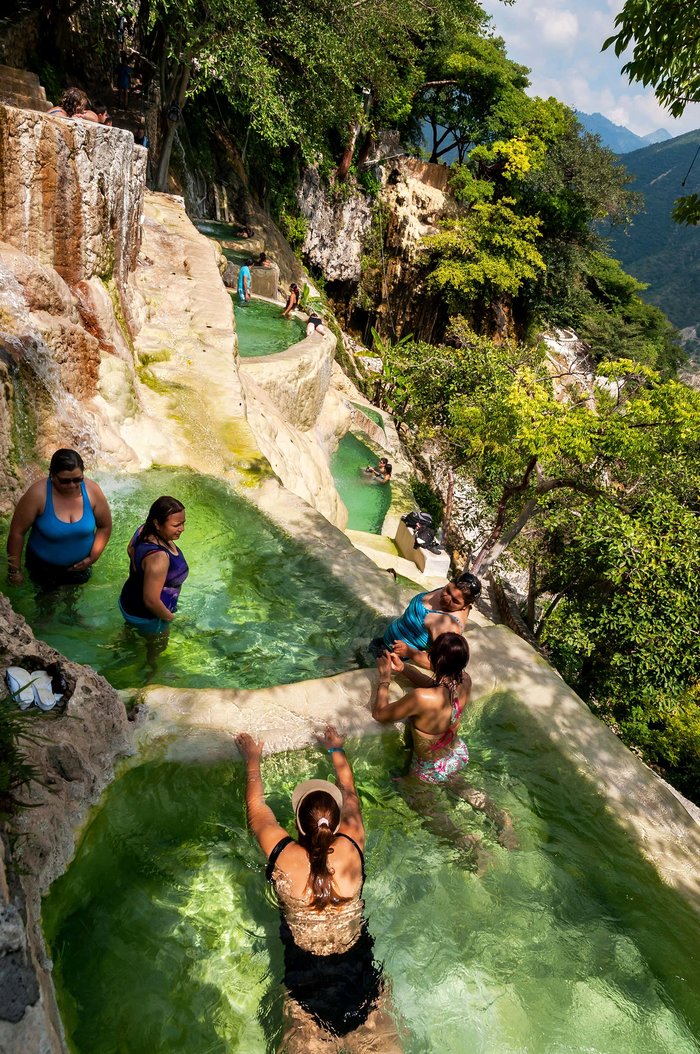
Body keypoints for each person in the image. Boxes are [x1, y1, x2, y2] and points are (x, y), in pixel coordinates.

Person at [237, 726, 400, 1053]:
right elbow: (349, 791)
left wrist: (252, 760)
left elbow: (256, 808)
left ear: (297, 824)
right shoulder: (353, 840)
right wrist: (335, 750)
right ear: (338, 823)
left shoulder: (282, 855)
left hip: (305, 992)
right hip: (362, 981)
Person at [372, 632, 517, 850]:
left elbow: (380, 714)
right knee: (456, 782)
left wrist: (384, 680)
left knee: (419, 801)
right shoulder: (465, 680)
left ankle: (464, 840)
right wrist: (405, 669)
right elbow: (438, 686)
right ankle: (500, 816)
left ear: (434, 660)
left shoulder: (421, 698)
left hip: (429, 766)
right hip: (455, 753)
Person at [6, 448, 112, 588]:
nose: (72, 485)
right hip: (43, 567)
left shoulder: (93, 491)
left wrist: (93, 557)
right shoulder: (37, 494)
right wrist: (14, 571)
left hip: (81, 565)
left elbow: (105, 526)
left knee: (73, 603)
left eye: (77, 479)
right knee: (46, 605)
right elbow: (17, 533)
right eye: (65, 481)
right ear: (52, 475)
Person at [373, 571, 481, 668]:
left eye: (455, 601)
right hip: (382, 643)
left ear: (464, 607)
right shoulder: (449, 591)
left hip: (392, 660)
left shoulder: (448, 625)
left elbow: (441, 665)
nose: (446, 598)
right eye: (447, 590)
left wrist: (410, 652)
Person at [118, 496, 188, 633]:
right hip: (148, 616)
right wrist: (171, 619)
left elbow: (130, 550)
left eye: (183, 523)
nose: (182, 529)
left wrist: (143, 574)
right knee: (157, 649)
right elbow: (151, 602)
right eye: (176, 525)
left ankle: (121, 642)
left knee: (130, 635)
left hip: (128, 601)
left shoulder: (143, 530)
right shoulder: (159, 558)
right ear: (157, 523)